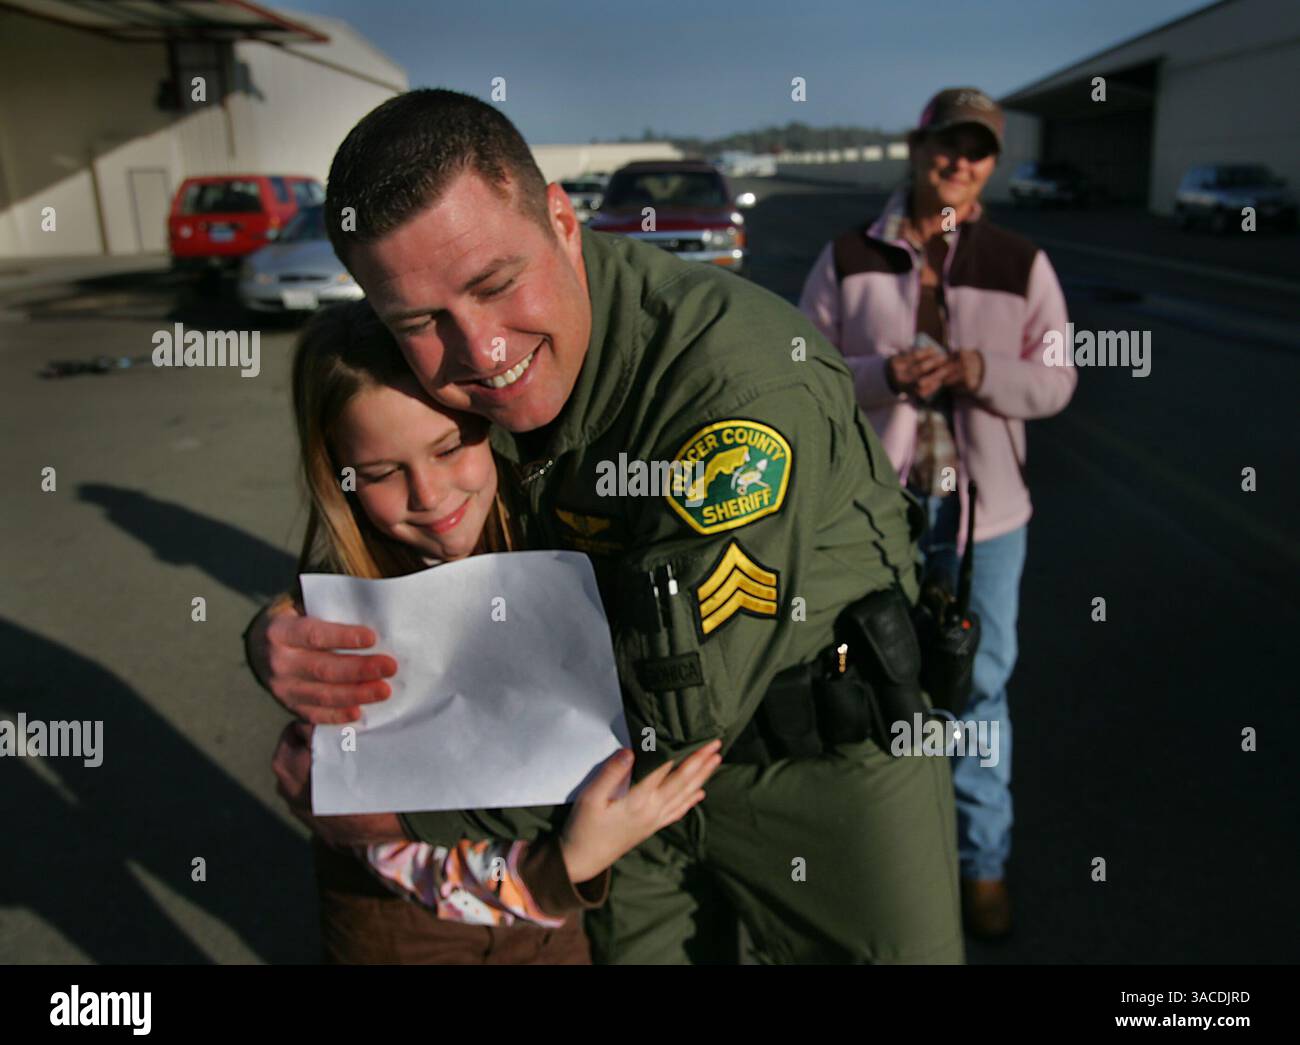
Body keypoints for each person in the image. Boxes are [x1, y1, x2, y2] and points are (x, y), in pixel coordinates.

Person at [246, 88, 963, 964]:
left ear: (561, 216)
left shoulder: (731, 385)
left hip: (817, 774)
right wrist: (288, 631)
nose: (480, 351)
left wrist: (402, 801)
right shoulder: (441, 374)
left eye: (496, 283)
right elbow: (402, 527)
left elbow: (686, 707)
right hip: (613, 806)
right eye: (421, 322)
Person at [271, 299, 722, 964]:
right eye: (380, 472)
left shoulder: (556, 542)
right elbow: (378, 838)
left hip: (552, 937)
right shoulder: (341, 629)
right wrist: (568, 862)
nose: (427, 493)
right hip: (403, 937)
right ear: (337, 475)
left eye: (450, 445)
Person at [798, 87, 1076, 938]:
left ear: (990, 164)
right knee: (875, 683)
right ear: (917, 149)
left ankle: (980, 862)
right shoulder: (847, 255)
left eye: (977, 150)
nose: (958, 162)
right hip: (880, 515)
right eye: (945, 146)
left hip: (988, 519)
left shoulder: (1021, 261)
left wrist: (974, 369)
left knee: (981, 683)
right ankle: (888, 861)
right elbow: (802, 369)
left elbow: (1058, 378)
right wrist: (886, 375)